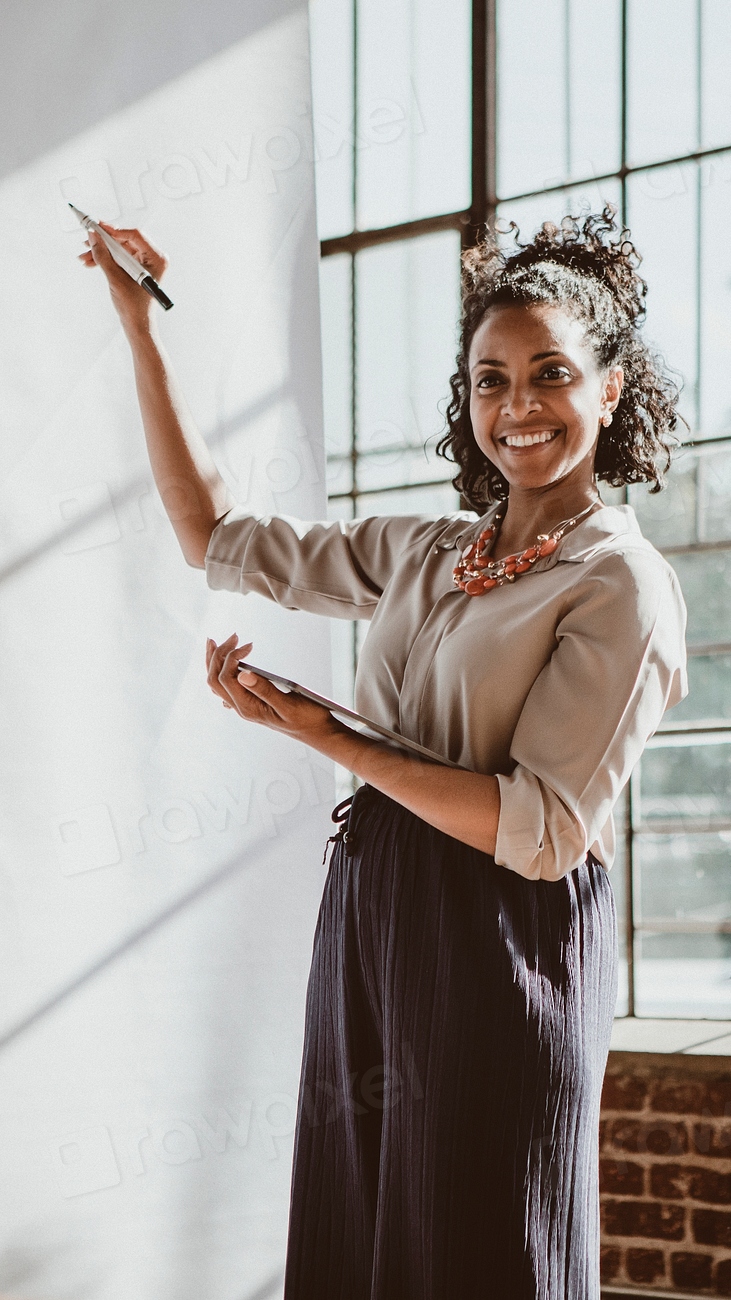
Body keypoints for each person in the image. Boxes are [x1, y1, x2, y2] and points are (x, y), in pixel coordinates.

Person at [81, 206, 687, 1299]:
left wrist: (332, 738)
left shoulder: (619, 581)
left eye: (549, 373)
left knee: (476, 1247)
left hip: (506, 941)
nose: (516, 408)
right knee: (361, 1234)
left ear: (609, 387)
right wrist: (141, 328)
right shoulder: (431, 551)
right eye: (489, 379)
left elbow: (542, 832)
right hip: (373, 903)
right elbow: (213, 537)